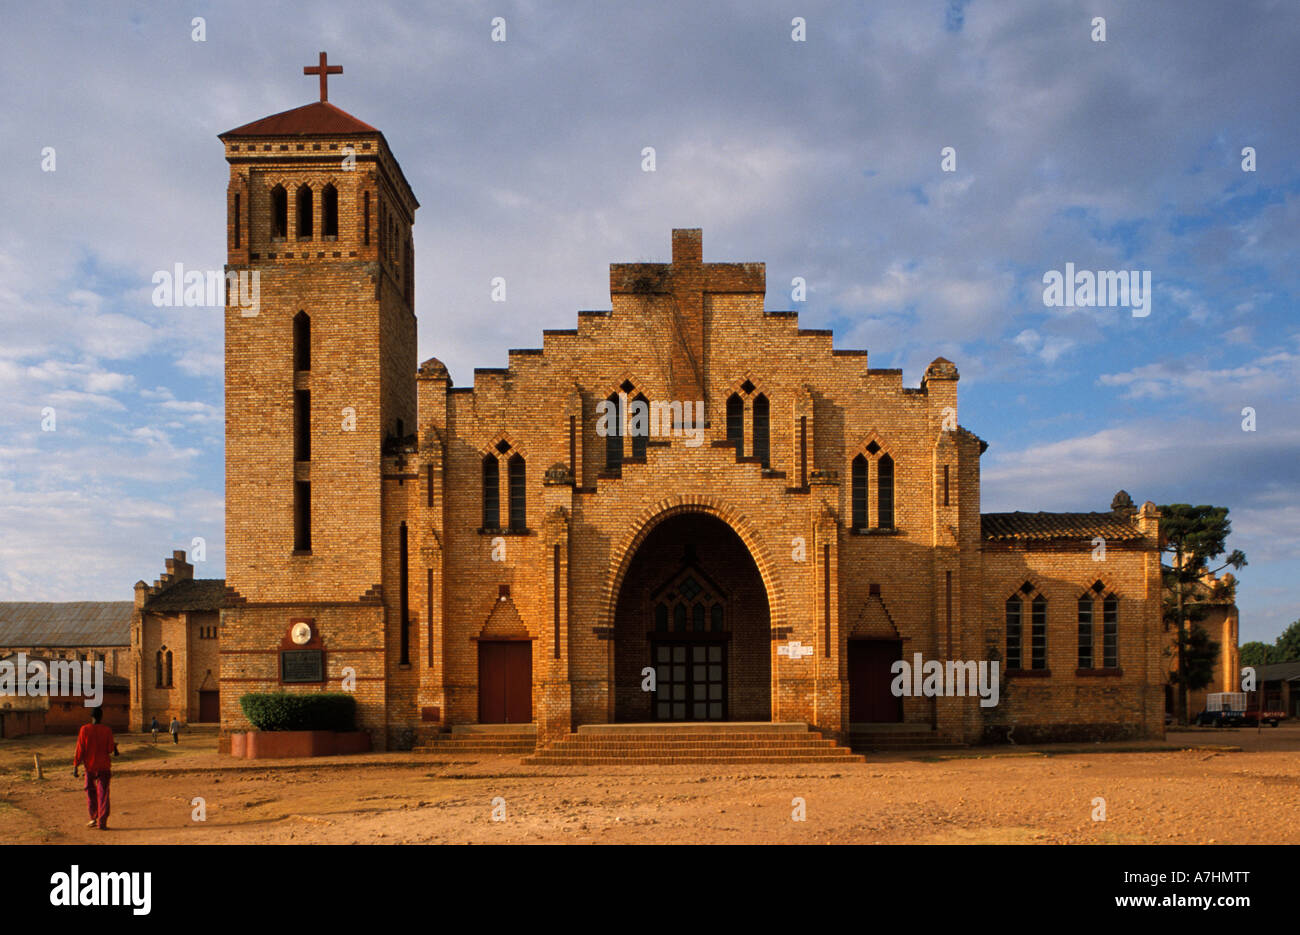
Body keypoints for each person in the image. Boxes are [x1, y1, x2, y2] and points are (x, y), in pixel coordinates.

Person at [72, 706, 119, 831]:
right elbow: (110, 749)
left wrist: (76, 765)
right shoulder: (107, 730)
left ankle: (93, 817)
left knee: (90, 791)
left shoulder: (84, 729)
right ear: (101, 717)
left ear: (91, 717)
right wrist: (114, 746)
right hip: (104, 766)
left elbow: (80, 749)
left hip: (90, 767)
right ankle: (102, 822)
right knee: (103, 793)